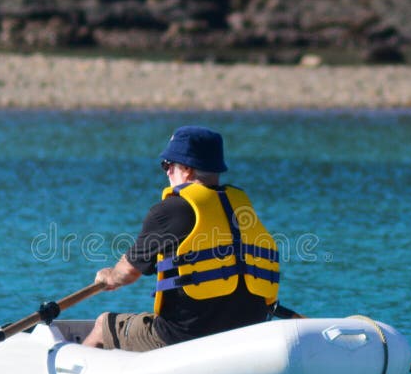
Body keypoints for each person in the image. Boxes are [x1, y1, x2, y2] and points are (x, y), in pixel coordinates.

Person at [82, 126, 280, 351]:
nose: (166, 172)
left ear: (186, 168)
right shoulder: (243, 210)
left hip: (184, 335)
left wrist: (108, 276)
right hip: (247, 331)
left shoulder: (170, 211)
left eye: (167, 165)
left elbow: (126, 273)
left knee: (102, 325)